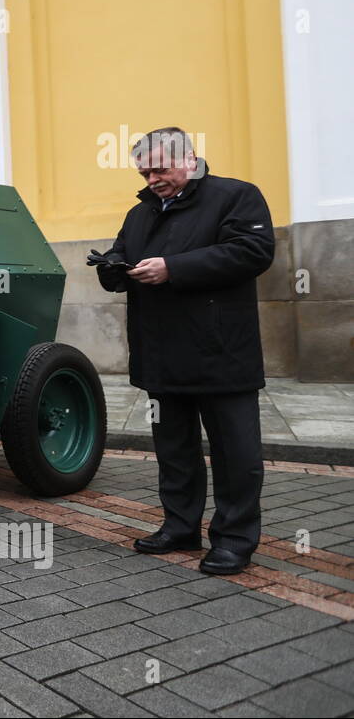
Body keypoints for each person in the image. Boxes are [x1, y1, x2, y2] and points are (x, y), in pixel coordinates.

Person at [93, 127, 274, 575]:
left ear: (190, 160)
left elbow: (253, 251)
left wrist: (174, 268)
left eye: (160, 168)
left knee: (236, 455)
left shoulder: (236, 195)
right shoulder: (140, 213)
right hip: (160, 356)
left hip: (221, 353)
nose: (152, 178)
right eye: (144, 171)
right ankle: (180, 525)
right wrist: (113, 269)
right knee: (174, 451)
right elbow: (123, 253)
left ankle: (233, 540)